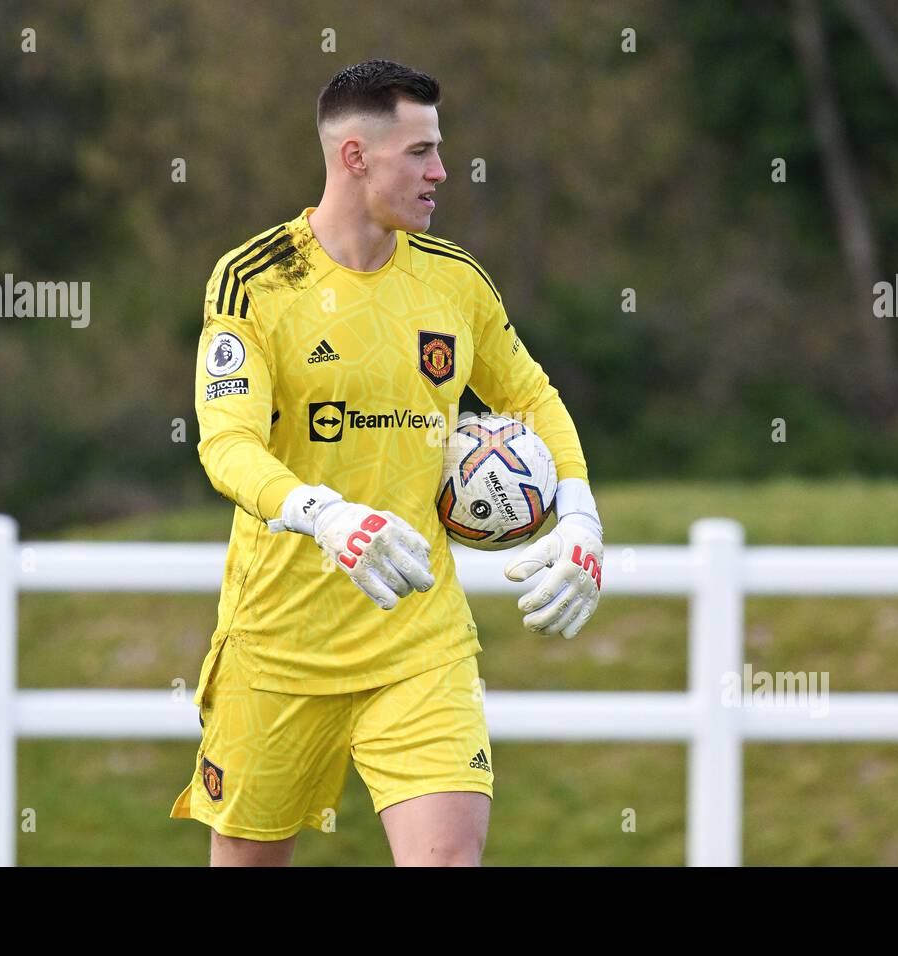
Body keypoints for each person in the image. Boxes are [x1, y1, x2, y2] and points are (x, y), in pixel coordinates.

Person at [170, 58, 604, 866]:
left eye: (440, 150)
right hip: (279, 644)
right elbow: (226, 443)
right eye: (421, 152)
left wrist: (578, 509)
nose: (443, 171)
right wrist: (324, 514)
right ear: (356, 156)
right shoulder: (256, 281)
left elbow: (532, 397)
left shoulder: (455, 281)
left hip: (419, 642)